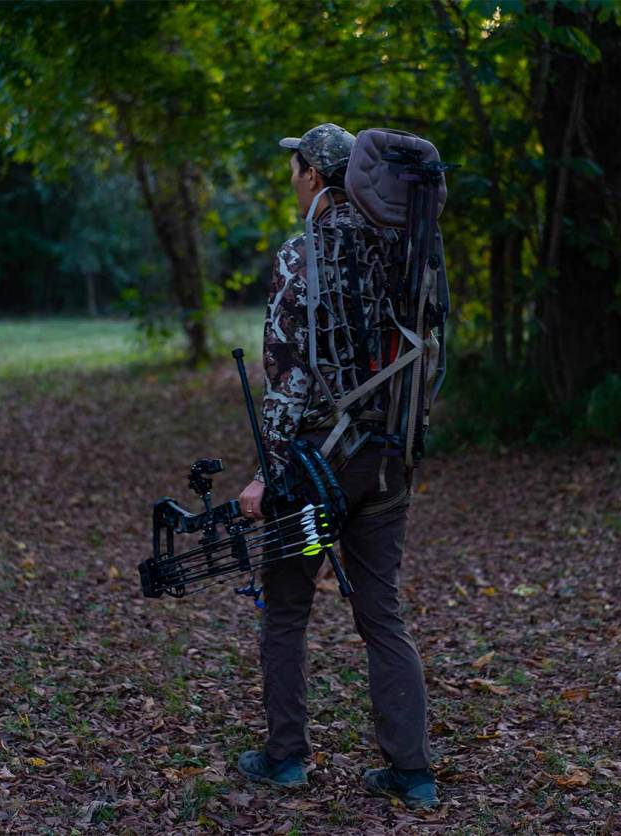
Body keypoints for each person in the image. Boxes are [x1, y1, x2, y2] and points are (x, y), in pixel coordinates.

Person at [235, 123, 437, 810]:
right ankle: (413, 773)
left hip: (315, 472)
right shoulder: (402, 253)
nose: (291, 181)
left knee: (287, 609)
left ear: (316, 178)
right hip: (385, 462)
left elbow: (286, 380)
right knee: (381, 612)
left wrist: (267, 476)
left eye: (295, 170)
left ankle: (285, 758)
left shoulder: (301, 258)